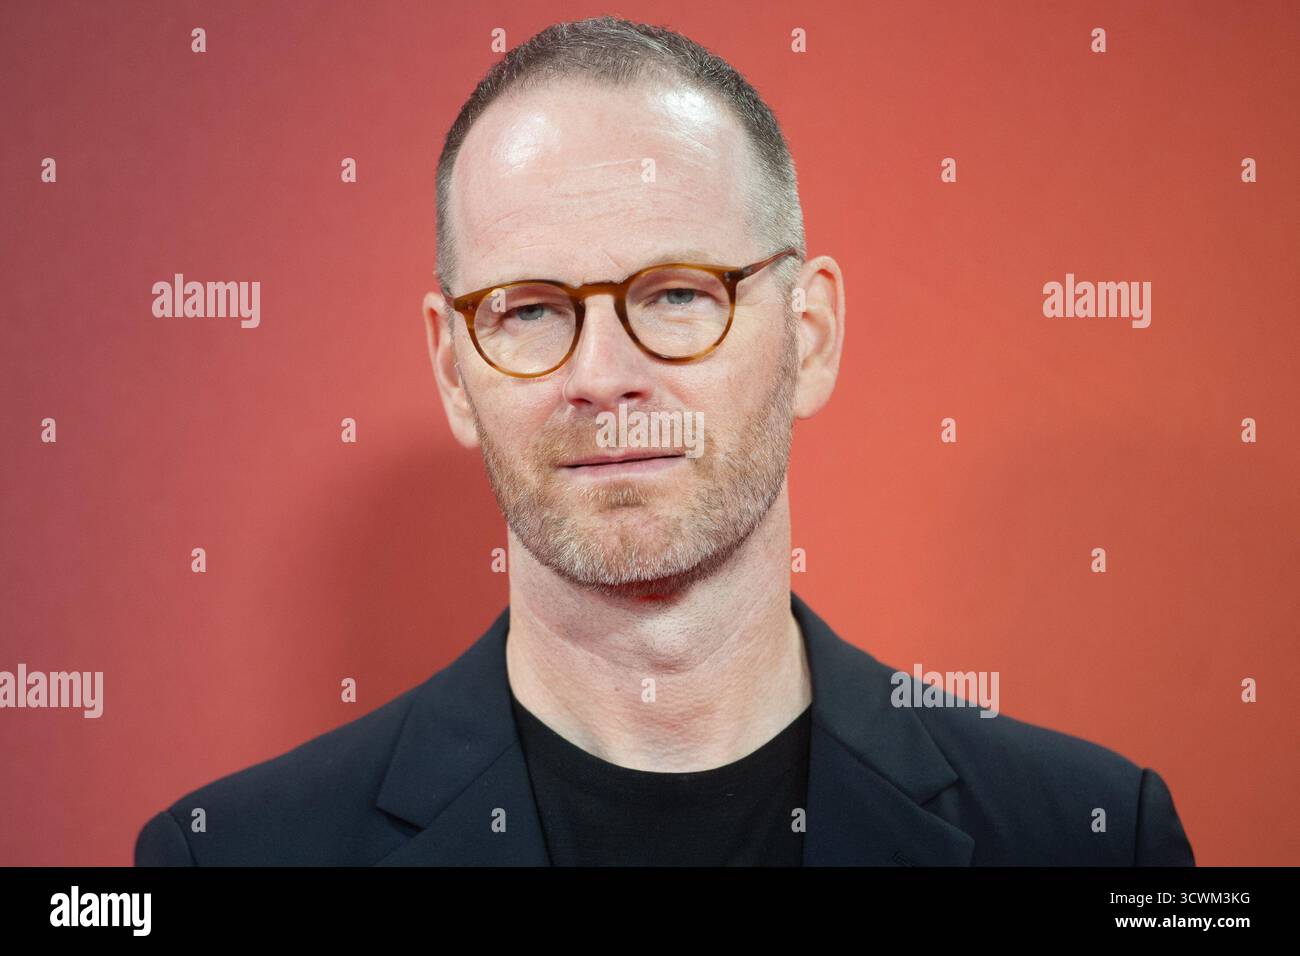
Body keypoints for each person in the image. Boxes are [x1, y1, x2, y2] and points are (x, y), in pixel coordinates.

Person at [135, 15, 1194, 866]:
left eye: (677, 293)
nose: (601, 376)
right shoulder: (226, 854)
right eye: (530, 309)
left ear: (809, 336)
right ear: (453, 366)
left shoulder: (1092, 833)